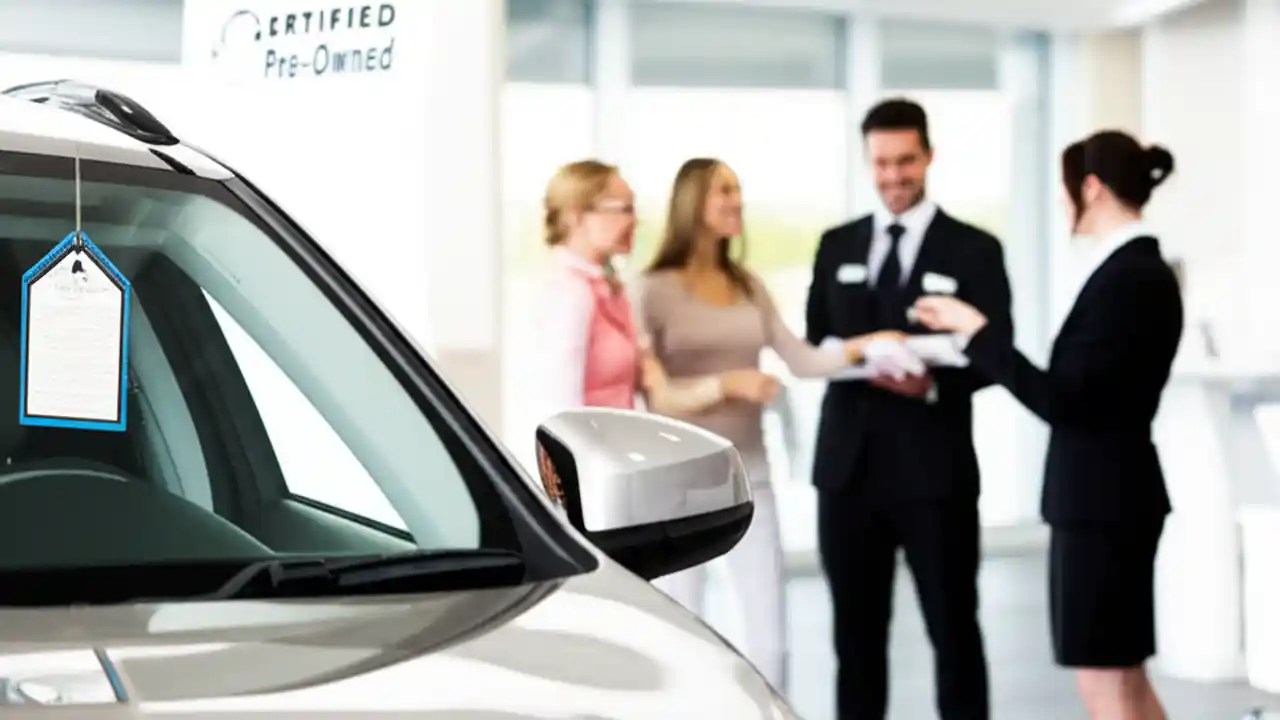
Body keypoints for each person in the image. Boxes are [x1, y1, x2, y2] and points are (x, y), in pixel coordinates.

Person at [912, 130, 1181, 720]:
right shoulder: (1136, 272)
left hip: (1101, 502)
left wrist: (975, 331)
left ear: (1093, 188)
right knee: (1125, 678)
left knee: (1105, 683)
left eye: (1067, 188)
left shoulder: (1129, 277)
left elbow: (1063, 400)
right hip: (1112, 497)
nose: (1062, 201)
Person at [636, 157, 880, 694]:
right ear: (693, 203)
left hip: (748, 476)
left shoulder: (748, 285)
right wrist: (728, 384)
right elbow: (657, 396)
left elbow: (802, 359)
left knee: (772, 639)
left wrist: (869, 346)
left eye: (738, 189)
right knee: (684, 632)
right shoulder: (652, 290)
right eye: (724, 191)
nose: (737, 200)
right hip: (675, 482)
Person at [804, 98, 1012, 720]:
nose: (893, 175)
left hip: (934, 474)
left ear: (929, 156)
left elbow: (996, 355)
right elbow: (816, 342)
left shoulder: (974, 249)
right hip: (848, 474)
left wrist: (931, 387)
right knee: (855, 641)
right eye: (882, 163)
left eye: (906, 161)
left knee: (954, 631)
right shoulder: (836, 244)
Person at [531, 159, 779, 454]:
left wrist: (726, 385)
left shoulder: (613, 291)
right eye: (623, 209)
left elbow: (661, 395)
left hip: (616, 459)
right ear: (576, 216)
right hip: (586, 467)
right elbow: (558, 413)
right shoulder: (569, 293)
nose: (635, 221)